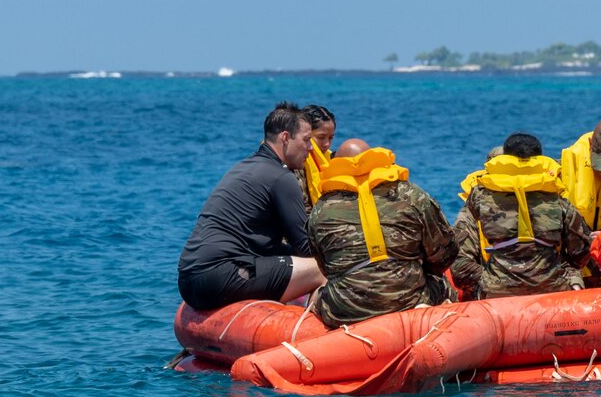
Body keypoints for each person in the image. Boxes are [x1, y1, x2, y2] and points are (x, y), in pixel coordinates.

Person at [177, 102, 327, 311]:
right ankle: (314, 335)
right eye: (306, 140)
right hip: (220, 277)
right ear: (285, 138)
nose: (311, 148)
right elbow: (305, 249)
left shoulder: (244, 167)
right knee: (319, 269)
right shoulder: (282, 177)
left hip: (188, 281)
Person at [305, 138, 458, 327]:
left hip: (346, 309)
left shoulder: (320, 209)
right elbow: (445, 252)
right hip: (409, 299)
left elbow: (326, 267)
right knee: (444, 287)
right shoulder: (410, 194)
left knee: (318, 297)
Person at [451, 133, 591, 299]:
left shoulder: (480, 196)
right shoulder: (557, 199)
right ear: (539, 159)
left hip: (495, 292)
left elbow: (458, 257)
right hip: (552, 289)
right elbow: (581, 250)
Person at [295, 104, 336, 212]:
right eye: (321, 137)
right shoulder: (295, 164)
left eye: (331, 138)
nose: (327, 144)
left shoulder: (333, 159)